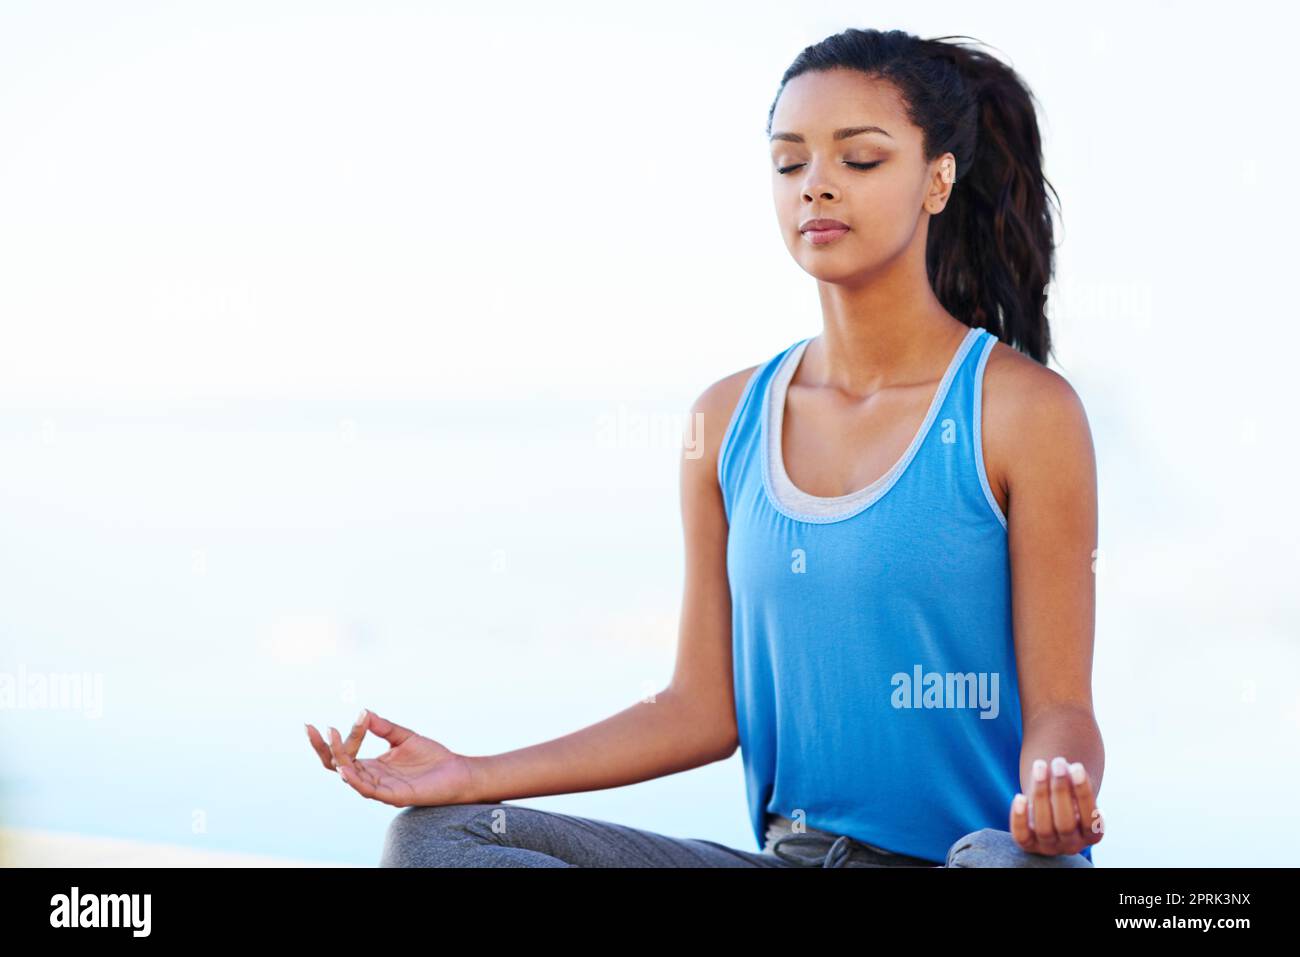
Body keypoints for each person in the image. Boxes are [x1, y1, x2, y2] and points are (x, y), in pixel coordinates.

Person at [305, 27, 1105, 868]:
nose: (817, 187)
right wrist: (471, 772)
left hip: (980, 859)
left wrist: (1060, 783)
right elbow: (700, 706)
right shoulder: (727, 420)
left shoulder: (1020, 411)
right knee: (438, 840)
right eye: (790, 163)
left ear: (937, 179)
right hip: (791, 859)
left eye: (859, 161)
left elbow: (1063, 710)